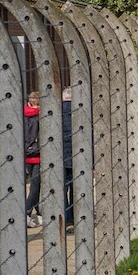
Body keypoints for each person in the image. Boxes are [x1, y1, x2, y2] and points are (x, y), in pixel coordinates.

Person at [24, 91, 42, 228]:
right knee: (36, 186)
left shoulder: (22, 113)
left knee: (34, 186)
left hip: (24, 155)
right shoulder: (43, 114)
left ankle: (38, 212)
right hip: (39, 155)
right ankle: (27, 212)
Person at [61, 87, 74, 226]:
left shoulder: (55, 112)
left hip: (60, 156)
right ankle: (77, 215)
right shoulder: (82, 111)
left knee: (63, 188)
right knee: (76, 188)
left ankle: (66, 216)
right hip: (78, 155)